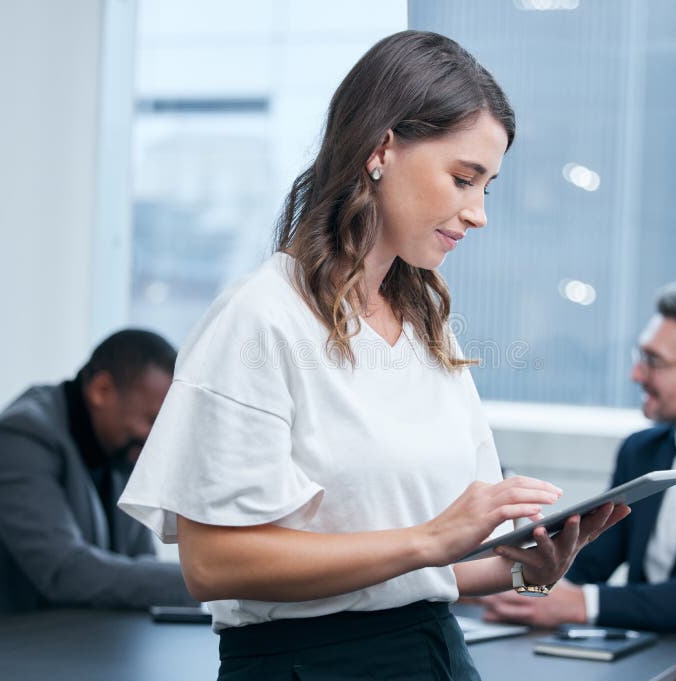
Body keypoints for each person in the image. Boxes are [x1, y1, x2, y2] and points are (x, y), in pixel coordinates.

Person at [118, 30, 628, 680]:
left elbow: (429, 569)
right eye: (464, 178)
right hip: (309, 665)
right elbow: (213, 564)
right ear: (381, 148)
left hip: (434, 653)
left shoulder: (428, 330)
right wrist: (430, 539)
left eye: (487, 188)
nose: (478, 214)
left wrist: (523, 568)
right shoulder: (261, 319)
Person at [479, 284, 676, 681]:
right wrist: (518, 587)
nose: (636, 374)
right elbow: (592, 559)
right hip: (648, 662)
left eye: (653, 361)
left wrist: (584, 605)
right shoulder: (643, 451)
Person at [0, 329, 196, 614]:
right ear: (101, 390)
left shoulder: (119, 451)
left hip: (84, 644)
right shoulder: (19, 438)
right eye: (153, 420)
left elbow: (138, 560)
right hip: (17, 650)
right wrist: (206, 581)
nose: (159, 438)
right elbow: (63, 571)